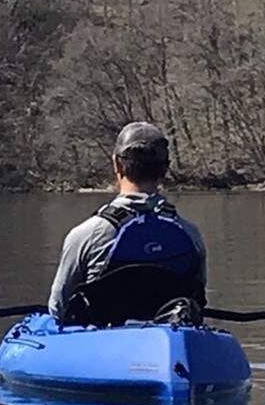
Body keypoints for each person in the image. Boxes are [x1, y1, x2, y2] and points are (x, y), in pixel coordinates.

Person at [48, 121, 207, 327]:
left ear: (117, 165)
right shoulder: (191, 234)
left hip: (104, 346)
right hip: (170, 342)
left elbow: (58, 310)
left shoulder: (86, 235)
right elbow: (197, 300)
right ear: (165, 169)